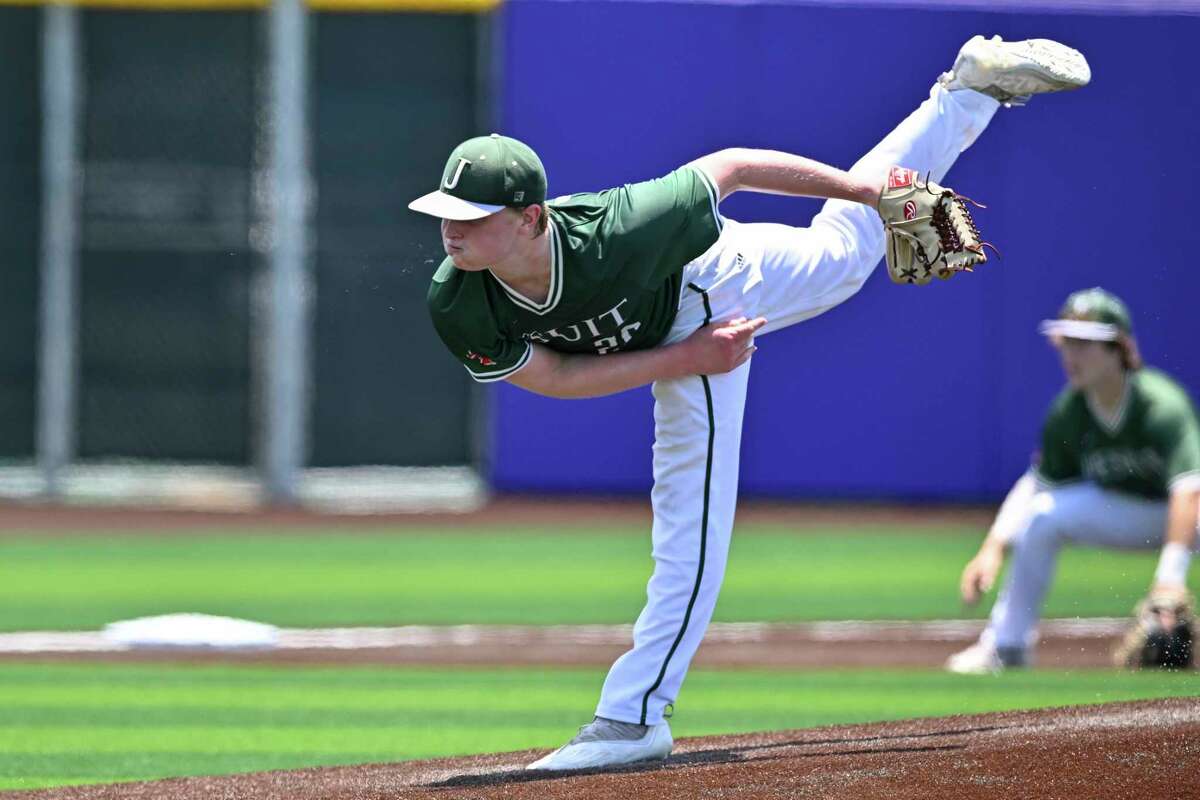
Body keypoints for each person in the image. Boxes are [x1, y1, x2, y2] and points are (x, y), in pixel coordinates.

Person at [409, 36, 1090, 770]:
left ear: (531, 218)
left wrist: (866, 194)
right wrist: (682, 361)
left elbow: (733, 166)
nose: (452, 228)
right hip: (679, 335)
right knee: (843, 260)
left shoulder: (622, 226)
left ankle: (633, 716)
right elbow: (557, 378)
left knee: (690, 515)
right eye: (448, 211)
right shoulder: (458, 301)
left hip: (707, 285)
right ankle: (967, 92)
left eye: (473, 214)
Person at [946, 288, 1200, 674]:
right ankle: (1006, 646)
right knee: (1043, 516)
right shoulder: (1070, 411)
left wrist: (1170, 579)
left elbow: (1189, 491)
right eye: (1066, 343)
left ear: (1119, 350)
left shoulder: (1161, 405)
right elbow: (1038, 484)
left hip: (1189, 515)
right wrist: (993, 547)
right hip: (1132, 514)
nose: (1070, 356)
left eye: (1084, 344)